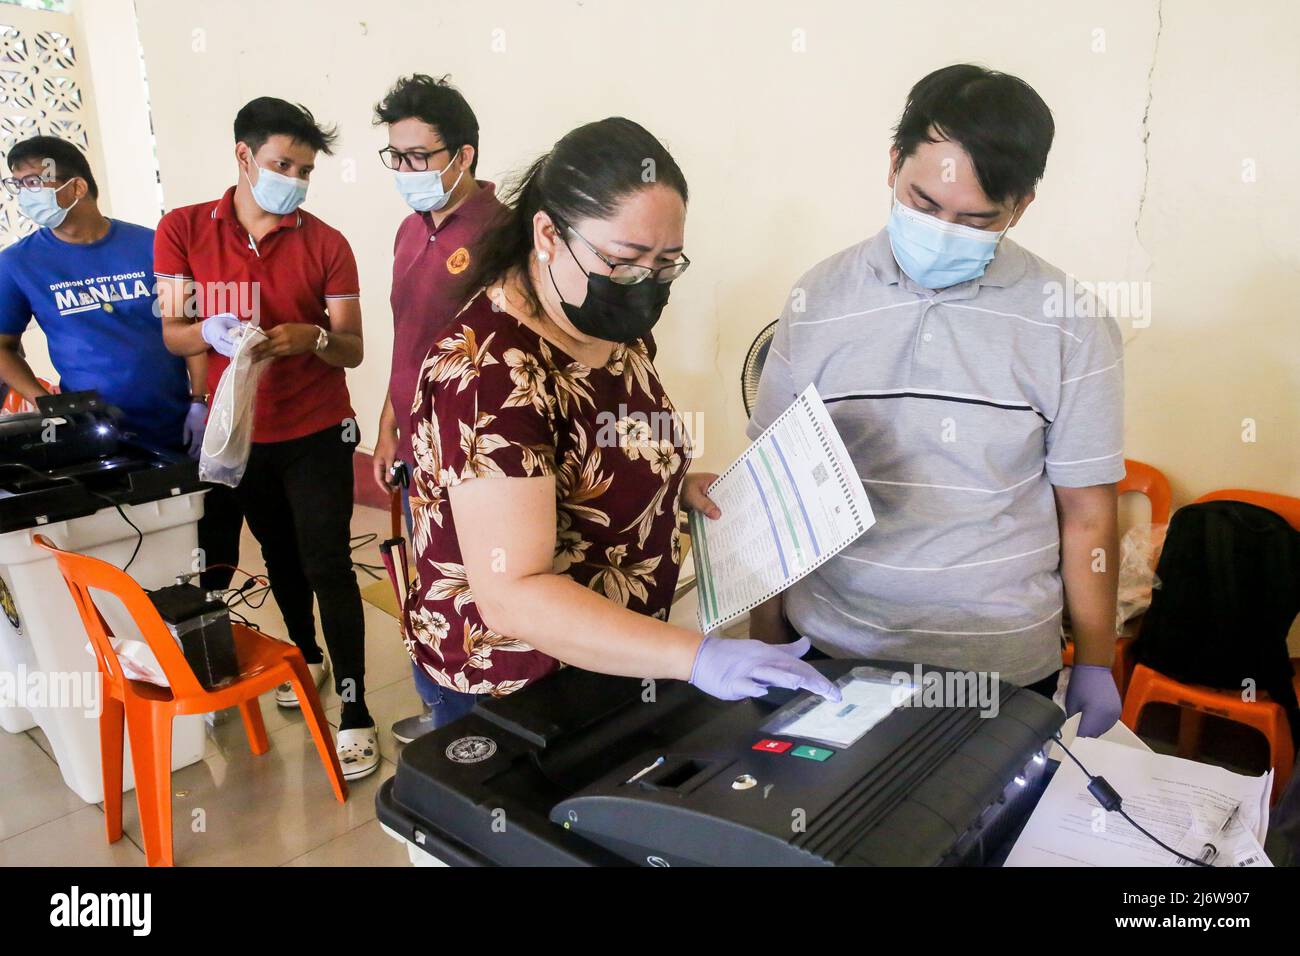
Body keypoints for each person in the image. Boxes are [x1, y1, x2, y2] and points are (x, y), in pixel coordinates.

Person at [402, 117, 837, 708]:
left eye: (666, 265)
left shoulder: (609, 324)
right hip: (518, 680)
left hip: (615, 653)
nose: (644, 284)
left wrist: (670, 485)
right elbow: (514, 592)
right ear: (549, 235)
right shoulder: (489, 374)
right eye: (626, 260)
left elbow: (603, 444)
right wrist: (698, 656)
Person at [747, 65, 1125, 737]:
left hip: (1001, 668)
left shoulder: (1070, 322)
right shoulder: (819, 299)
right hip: (838, 647)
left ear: (1023, 206)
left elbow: (1089, 515)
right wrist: (767, 626)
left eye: (979, 220)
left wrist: (1096, 660)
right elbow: (774, 481)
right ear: (894, 164)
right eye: (925, 205)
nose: (946, 231)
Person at [155, 97, 378, 779]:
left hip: (315, 428)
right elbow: (173, 331)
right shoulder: (183, 228)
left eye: (305, 170)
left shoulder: (326, 243)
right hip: (241, 433)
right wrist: (210, 332)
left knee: (327, 563)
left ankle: (357, 708)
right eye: (283, 164)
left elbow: (352, 349)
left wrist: (312, 338)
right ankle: (304, 655)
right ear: (243, 156)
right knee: (278, 554)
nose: (294, 181)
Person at [371, 74, 505, 742]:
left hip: (470, 449)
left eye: (419, 156)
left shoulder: (500, 234)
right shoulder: (407, 231)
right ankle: (441, 705)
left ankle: (479, 728)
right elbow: (406, 339)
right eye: (395, 156)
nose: (405, 170)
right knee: (426, 581)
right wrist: (388, 427)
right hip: (414, 445)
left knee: (475, 587)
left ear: (465, 155)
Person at [0, 136, 203, 456]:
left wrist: (201, 401)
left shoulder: (154, 245)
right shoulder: (16, 264)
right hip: (94, 432)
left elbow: (193, 327)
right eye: (18, 184)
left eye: (34, 182)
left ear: (77, 188)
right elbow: (3, 348)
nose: (25, 195)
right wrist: (46, 403)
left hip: (177, 422)